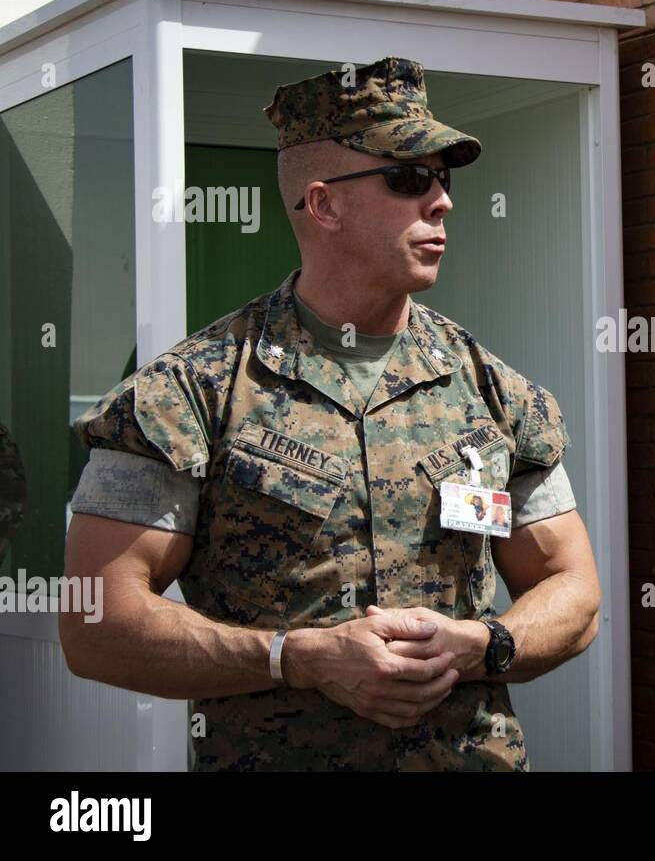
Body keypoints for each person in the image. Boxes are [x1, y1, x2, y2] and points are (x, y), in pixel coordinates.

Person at [59, 57, 601, 771]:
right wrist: (297, 659)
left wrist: (483, 645)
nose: (440, 202)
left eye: (444, 179)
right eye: (409, 179)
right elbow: (97, 624)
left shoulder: (493, 393)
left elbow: (573, 589)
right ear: (324, 204)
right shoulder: (186, 395)